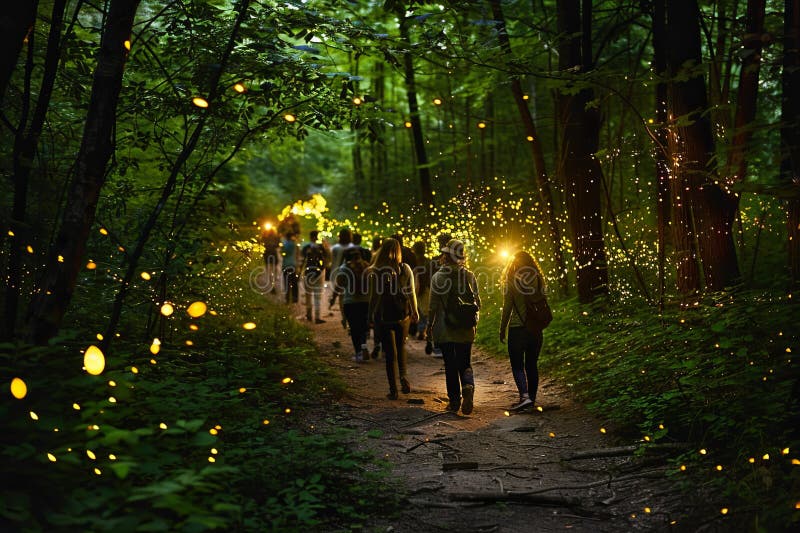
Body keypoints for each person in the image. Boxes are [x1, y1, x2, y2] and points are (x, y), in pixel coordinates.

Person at [427, 238, 480, 415]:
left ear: (445, 256)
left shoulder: (438, 277)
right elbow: (477, 303)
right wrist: (474, 323)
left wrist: (429, 326)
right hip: (465, 328)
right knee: (465, 362)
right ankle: (468, 385)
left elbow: (433, 306)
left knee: (450, 364)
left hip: (445, 328)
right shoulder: (469, 276)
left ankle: (454, 401)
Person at [368, 238, 419, 400]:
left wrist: (370, 314)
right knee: (401, 347)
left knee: (390, 354)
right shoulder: (405, 268)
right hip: (402, 315)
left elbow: (375, 296)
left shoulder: (376, 270)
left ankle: (393, 390)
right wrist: (415, 311)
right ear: (399, 251)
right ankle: (403, 377)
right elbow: (411, 292)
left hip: (384, 316)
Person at [499, 250, 548, 411]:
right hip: (535, 329)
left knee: (517, 365)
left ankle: (524, 397)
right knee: (532, 364)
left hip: (517, 329)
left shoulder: (511, 281)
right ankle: (531, 400)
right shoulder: (539, 280)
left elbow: (507, 308)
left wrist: (502, 329)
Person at [332, 248, 371, 362]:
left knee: (354, 328)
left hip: (350, 302)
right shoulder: (367, 267)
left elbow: (339, 286)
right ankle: (364, 346)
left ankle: (358, 353)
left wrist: (333, 298)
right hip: (365, 301)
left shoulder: (344, 268)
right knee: (363, 327)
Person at [300, 230, 330, 324]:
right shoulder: (321, 247)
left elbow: (302, 261)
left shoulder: (306, 247)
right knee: (318, 295)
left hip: (308, 272)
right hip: (320, 272)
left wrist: (300, 272)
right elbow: (328, 259)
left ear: (310, 237)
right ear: (317, 236)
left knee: (308, 295)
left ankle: (309, 315)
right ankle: (317, 317)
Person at [412, 240, 432, 341]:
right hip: (426, 288)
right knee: (425, 311)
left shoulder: (413, 260)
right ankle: (424, 330)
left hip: (415, 288)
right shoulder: (427, 261)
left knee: (418, 309)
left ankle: (420, 330)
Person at [281, 231, 300, 304]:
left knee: (286, 282)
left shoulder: (285, 244)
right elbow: (297, 254)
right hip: (293, 265)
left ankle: (287, 298)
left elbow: (283, 253)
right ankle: (295, 298)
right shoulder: (294, 244)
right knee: (294, 282)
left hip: (286, 265)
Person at [261, 226, 281, 295]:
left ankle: (272, 285)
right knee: (273, 270)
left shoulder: (265, 236)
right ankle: (273, 285)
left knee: (270, 271)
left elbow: (262, 242)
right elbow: (278, 245)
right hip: (272, 254)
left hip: (268, 254)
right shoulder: (275, 237)